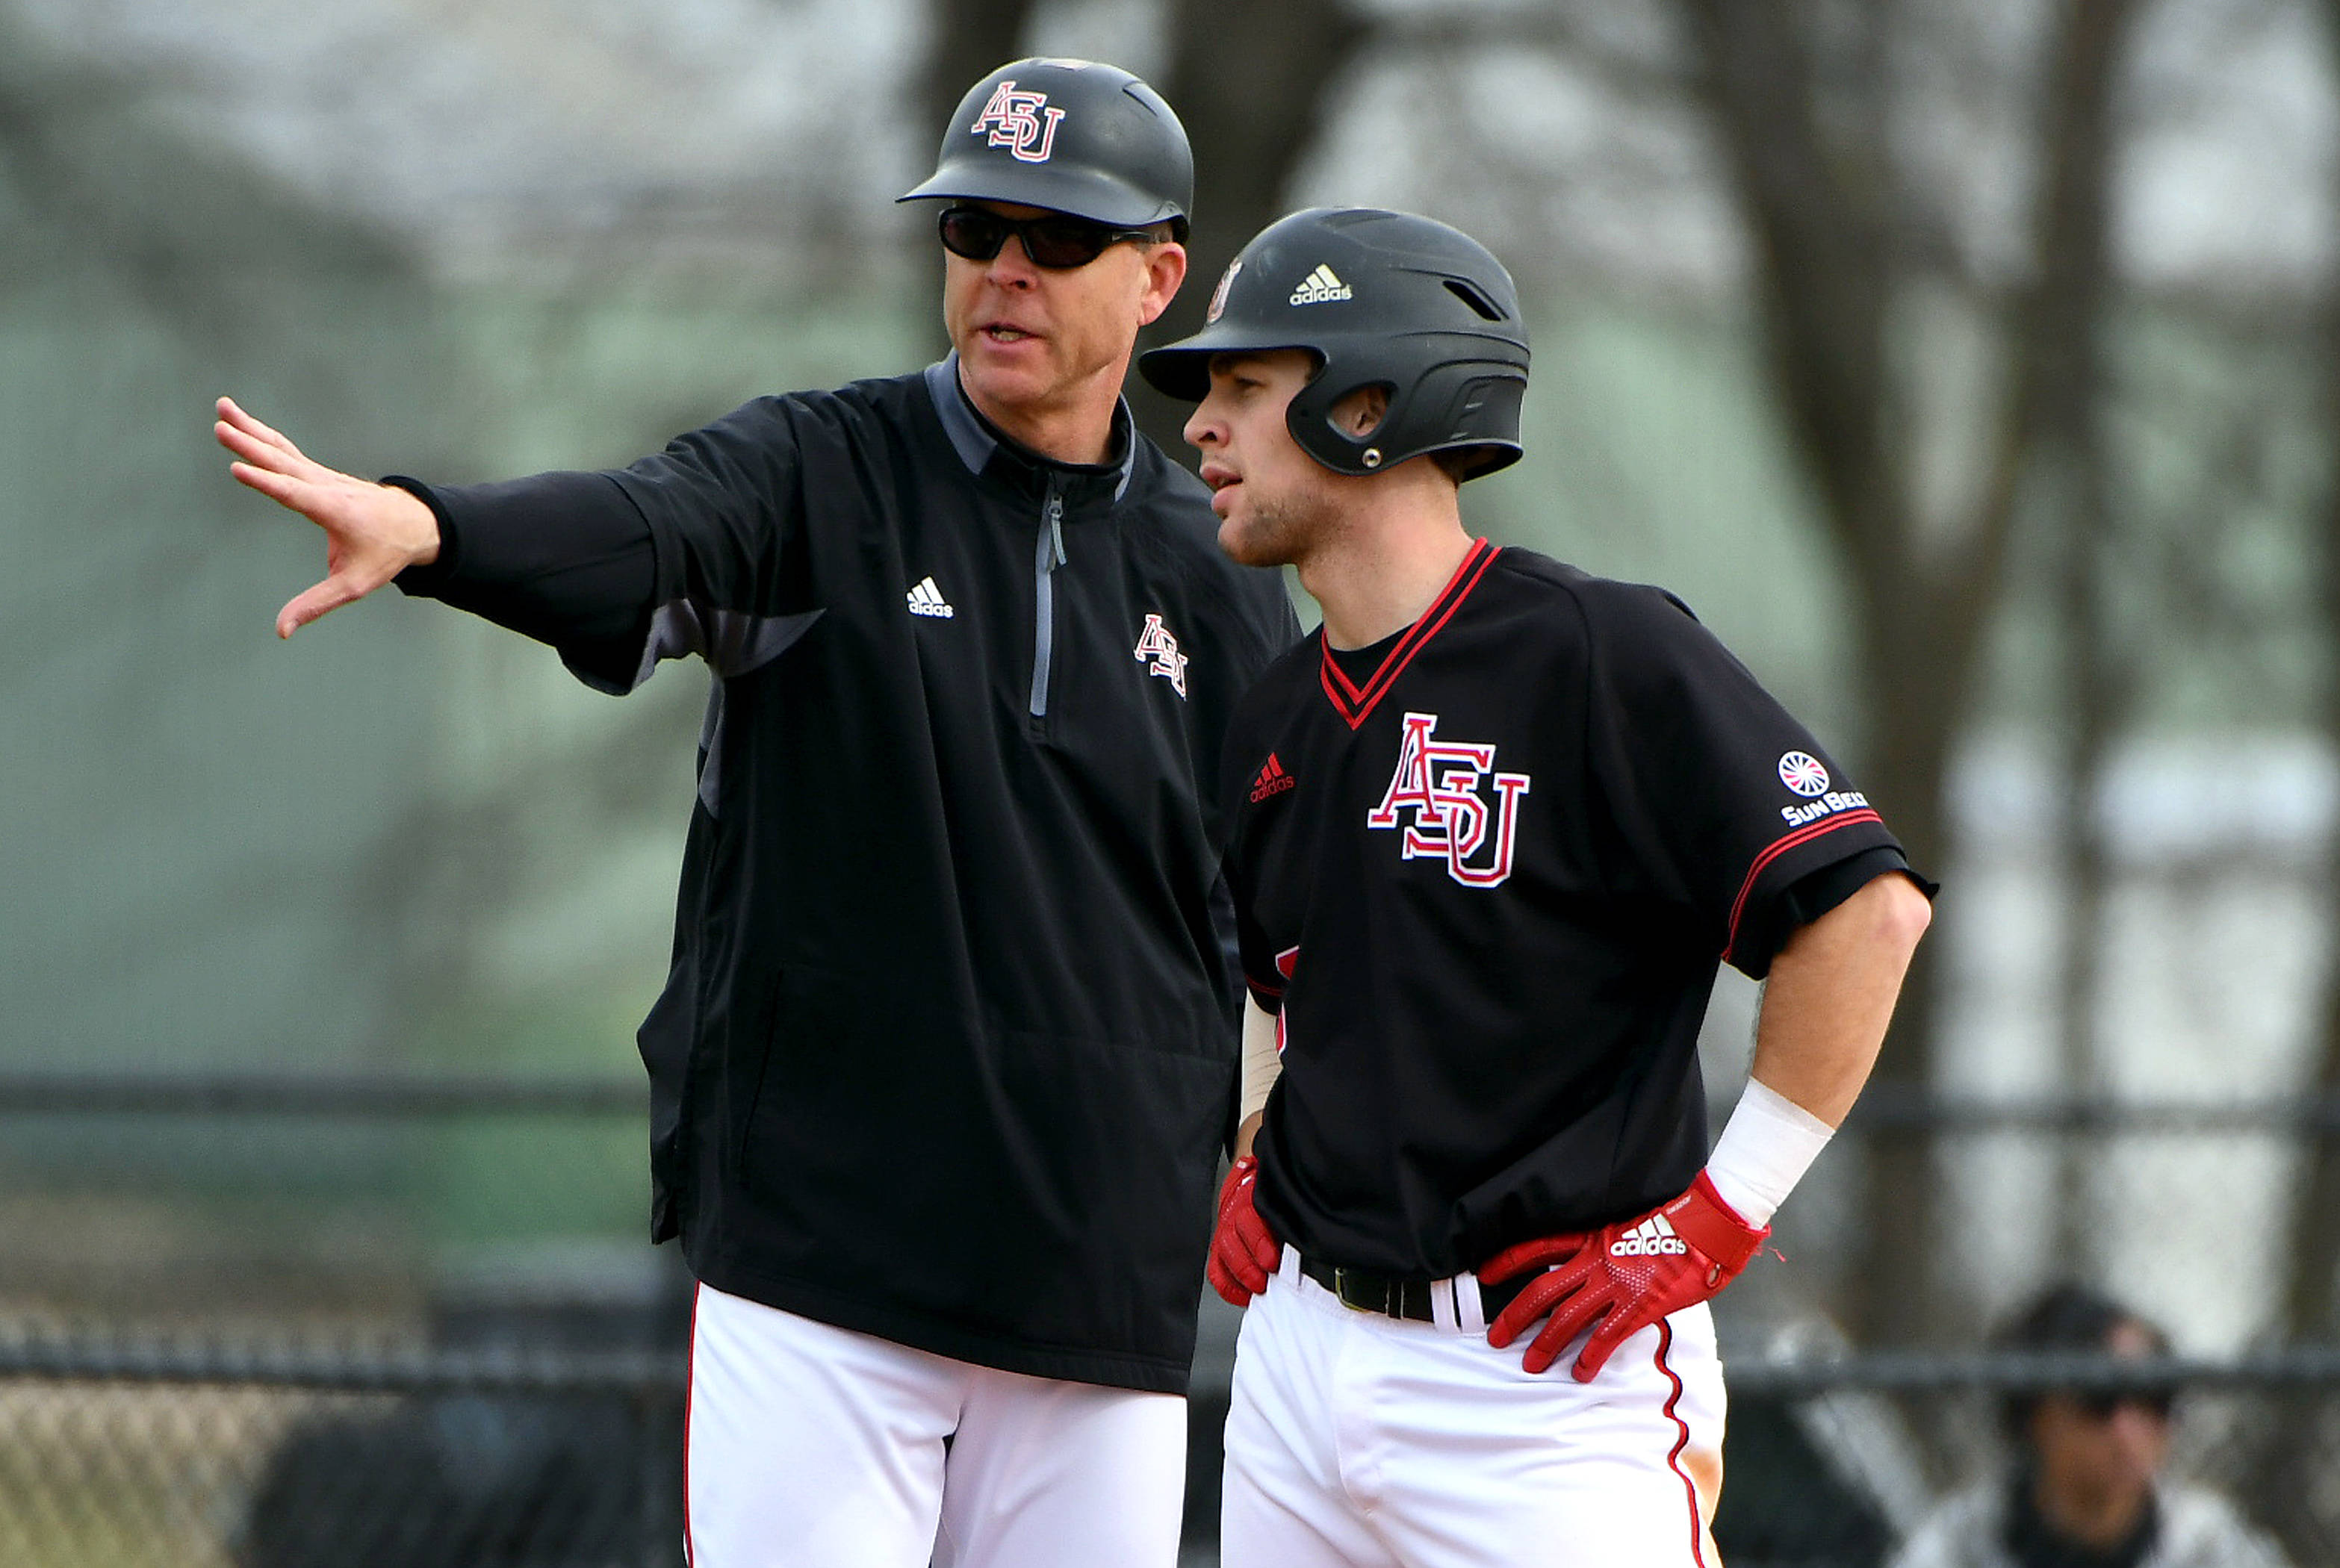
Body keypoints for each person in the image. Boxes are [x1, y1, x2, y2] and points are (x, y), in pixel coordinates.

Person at [214, 57, 1300, 1568]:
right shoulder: (826, 471)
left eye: (1055, 240)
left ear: (1159, 277)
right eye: (974, 228)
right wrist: (437, 530)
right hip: (825, 1268)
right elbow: (637, 525)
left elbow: (1291, 911)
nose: (1003, 270)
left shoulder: (1218, 568)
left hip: (1097, 1295)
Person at [1137, 206, 1936, 1567]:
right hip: (1295, 1363)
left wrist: (1716, 1217)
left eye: (1245, 387)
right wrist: (1256, 1139)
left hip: (1545, 1386)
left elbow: (1864, 914)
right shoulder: (1272, 712)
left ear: (1368, 403)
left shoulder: (1594, 652)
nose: (1202, 427)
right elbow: (1280, 980)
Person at [1891, 1284, 2291, 1568]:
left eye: (2154, 1399)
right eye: (2100, 1401)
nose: (2128, 1429)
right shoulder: (1960, 1546)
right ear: (2036, 1414)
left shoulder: (2209, 1548)